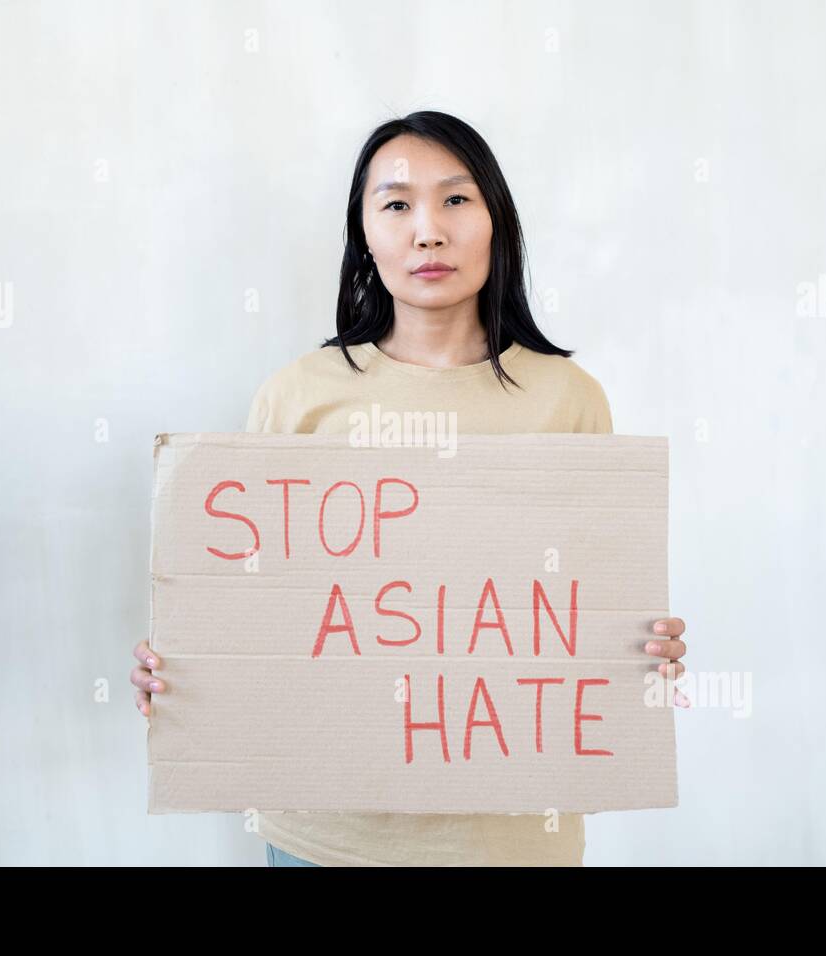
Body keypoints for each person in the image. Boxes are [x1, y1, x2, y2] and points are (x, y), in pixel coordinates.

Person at [131, 110, 689, 866]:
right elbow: (252, 609)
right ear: (364, 235)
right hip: (324, 839)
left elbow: (581, 609)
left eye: (457, 200)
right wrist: (188, 664)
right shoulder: (296, 397)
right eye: (396, 205)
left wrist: (639, 649)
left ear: (498, 223)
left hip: (511, 841)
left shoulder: (570, 398)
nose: (428, 231)